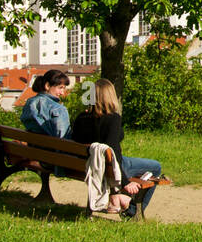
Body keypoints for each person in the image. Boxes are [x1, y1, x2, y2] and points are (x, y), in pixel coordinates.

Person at [70, 78, 162, 219]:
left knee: (122, 160)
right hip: (110, 166)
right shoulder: (113, 119)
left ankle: (119, 198)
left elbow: (75, 140)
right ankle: (131, 211)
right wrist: (125, 182)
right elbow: (114, 152)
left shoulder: (81, 118)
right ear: (111, 96)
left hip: (86, 165)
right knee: (155, 167)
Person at [21, 69, 72, 139]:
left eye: (64, 88)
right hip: (52, 149)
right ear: (47, 86)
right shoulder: (59, 109)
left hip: (33, 148)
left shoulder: (29, 103)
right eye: (60, 88)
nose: (62, 93)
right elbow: (64, 139)